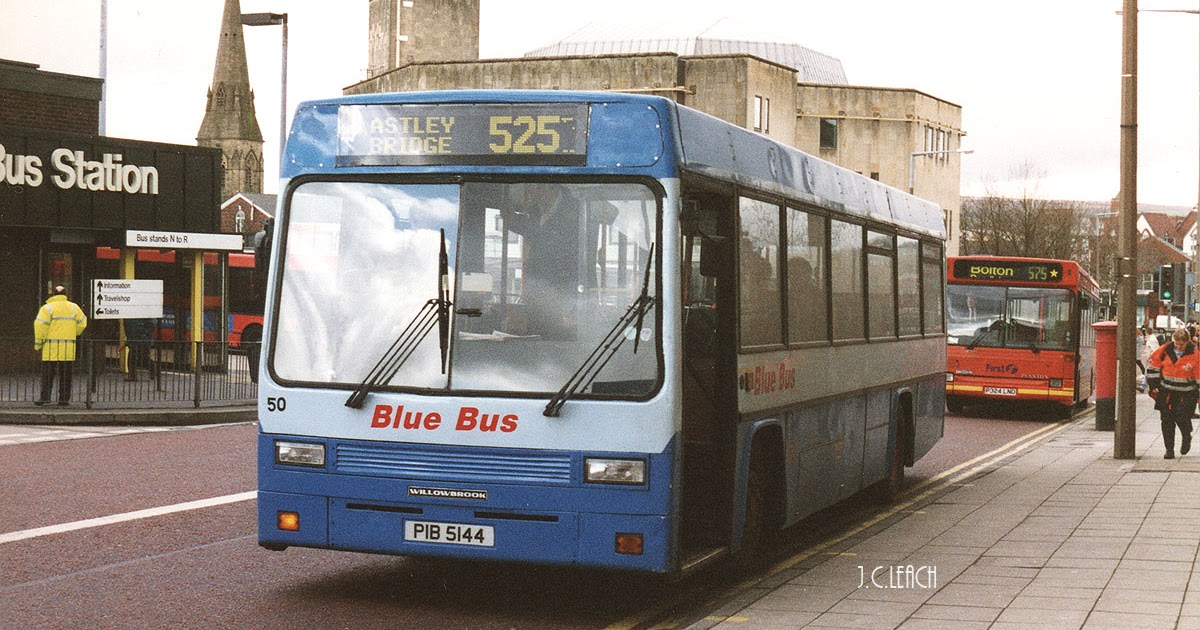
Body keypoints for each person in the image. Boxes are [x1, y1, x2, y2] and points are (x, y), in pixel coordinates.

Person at [1146, 327, 1200, 459]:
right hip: (1167, 392)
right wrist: (1154, 385)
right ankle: (1169, 450)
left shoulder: (1195, 353)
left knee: (1182, 417)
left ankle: (1186, 436)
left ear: (1187, 342)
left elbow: (1198, 374)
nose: (1179, 347)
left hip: (1187, 393)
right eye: (1176, 344)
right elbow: (1153, 366)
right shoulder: (1164, 351)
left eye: (1182, 345)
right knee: (1167, 421)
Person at [33, 284, 88, 406]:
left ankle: (45, 397)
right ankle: (63, 399)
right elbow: (82, 323)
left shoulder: (47, 308)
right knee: (66, 374)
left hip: (50, 347)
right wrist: (73, 333)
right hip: (68, 347)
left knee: (48, 374)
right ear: (65, 294)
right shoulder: (74, 308)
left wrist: (38, 345)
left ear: (53, 295)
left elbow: (40, 327)